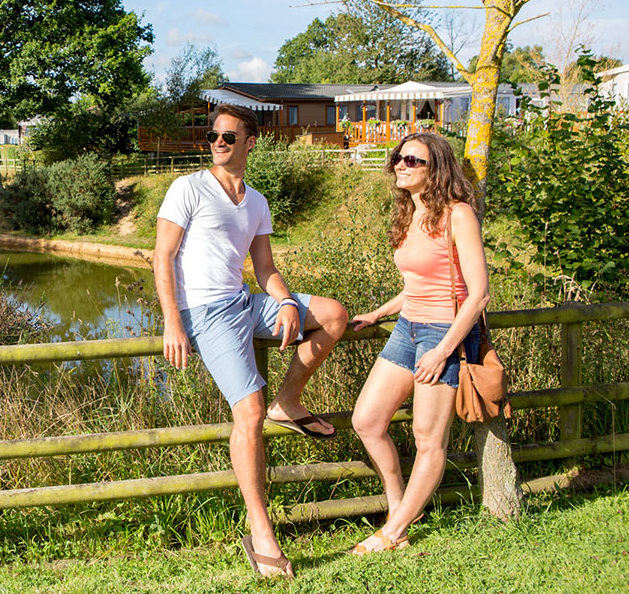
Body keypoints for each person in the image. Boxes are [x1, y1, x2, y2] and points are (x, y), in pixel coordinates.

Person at [154, 102, 348, 578]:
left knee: (335, 315)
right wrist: (173, 323)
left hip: (245, 301)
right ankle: (261, 532)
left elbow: (265, 269)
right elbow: (162, 257)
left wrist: (283, 301)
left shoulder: (256, 201)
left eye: (228, 136)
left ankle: (289, 400)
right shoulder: (188, 188)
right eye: (214, 136)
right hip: (205, 312)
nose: (218, 142)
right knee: (249, 414)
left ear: (250, 142)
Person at [349, 132, 490, 554]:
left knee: (428, 439)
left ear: (437, 169)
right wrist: (379, 312)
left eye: (413, 160)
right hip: (407, 327)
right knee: (367, 420)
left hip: (443, 333)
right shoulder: (409, 214)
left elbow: (479, 293)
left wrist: (443, 349)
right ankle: (400, 512)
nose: (401, 165)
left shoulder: (458, 214)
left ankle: (392, 533)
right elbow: (418, 284)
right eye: (399, 158)